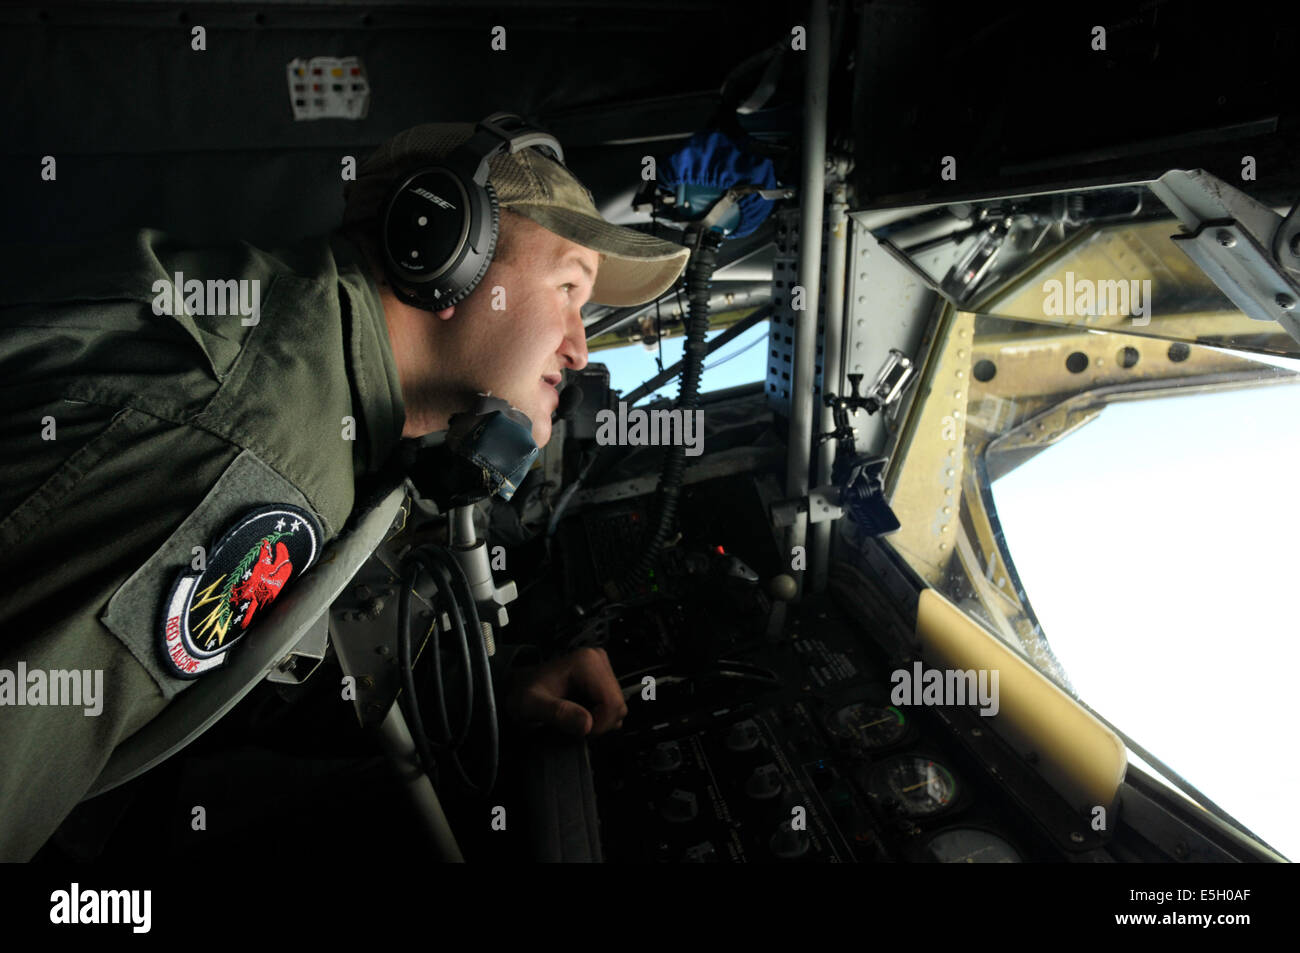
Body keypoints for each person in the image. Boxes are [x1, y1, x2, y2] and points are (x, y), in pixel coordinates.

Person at [0, 118, 690, 860]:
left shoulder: (307, 371)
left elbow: (252, 661)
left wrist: (484, 695)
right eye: (568, 289)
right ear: (446, 249)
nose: (581, 347)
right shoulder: (269, 452)